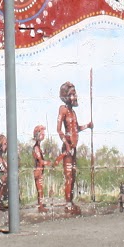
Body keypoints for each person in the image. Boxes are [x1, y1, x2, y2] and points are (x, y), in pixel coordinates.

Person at [57, 80, 92, 214]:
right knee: (69, 176)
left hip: (73, 148)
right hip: (67, 150)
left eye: (75, 94)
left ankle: (71, 202)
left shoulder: (73, 113)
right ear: (66, 96)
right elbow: (59, 130)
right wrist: (66, 144)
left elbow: (76, 129)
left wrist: (87, 126)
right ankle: (68, 203)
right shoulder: (63, 110)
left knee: (73, 175)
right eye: (72, 94)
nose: (74, 97)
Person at [31, 124, 49, 211]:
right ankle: (40, 206)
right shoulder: (36, 148)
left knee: (41, 189)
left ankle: (41, 205)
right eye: (42, 132)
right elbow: (40, 161)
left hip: (40, 171)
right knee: (40, 190)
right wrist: (48, 163)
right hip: (38, 171)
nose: (43, 134)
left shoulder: (38, 147)